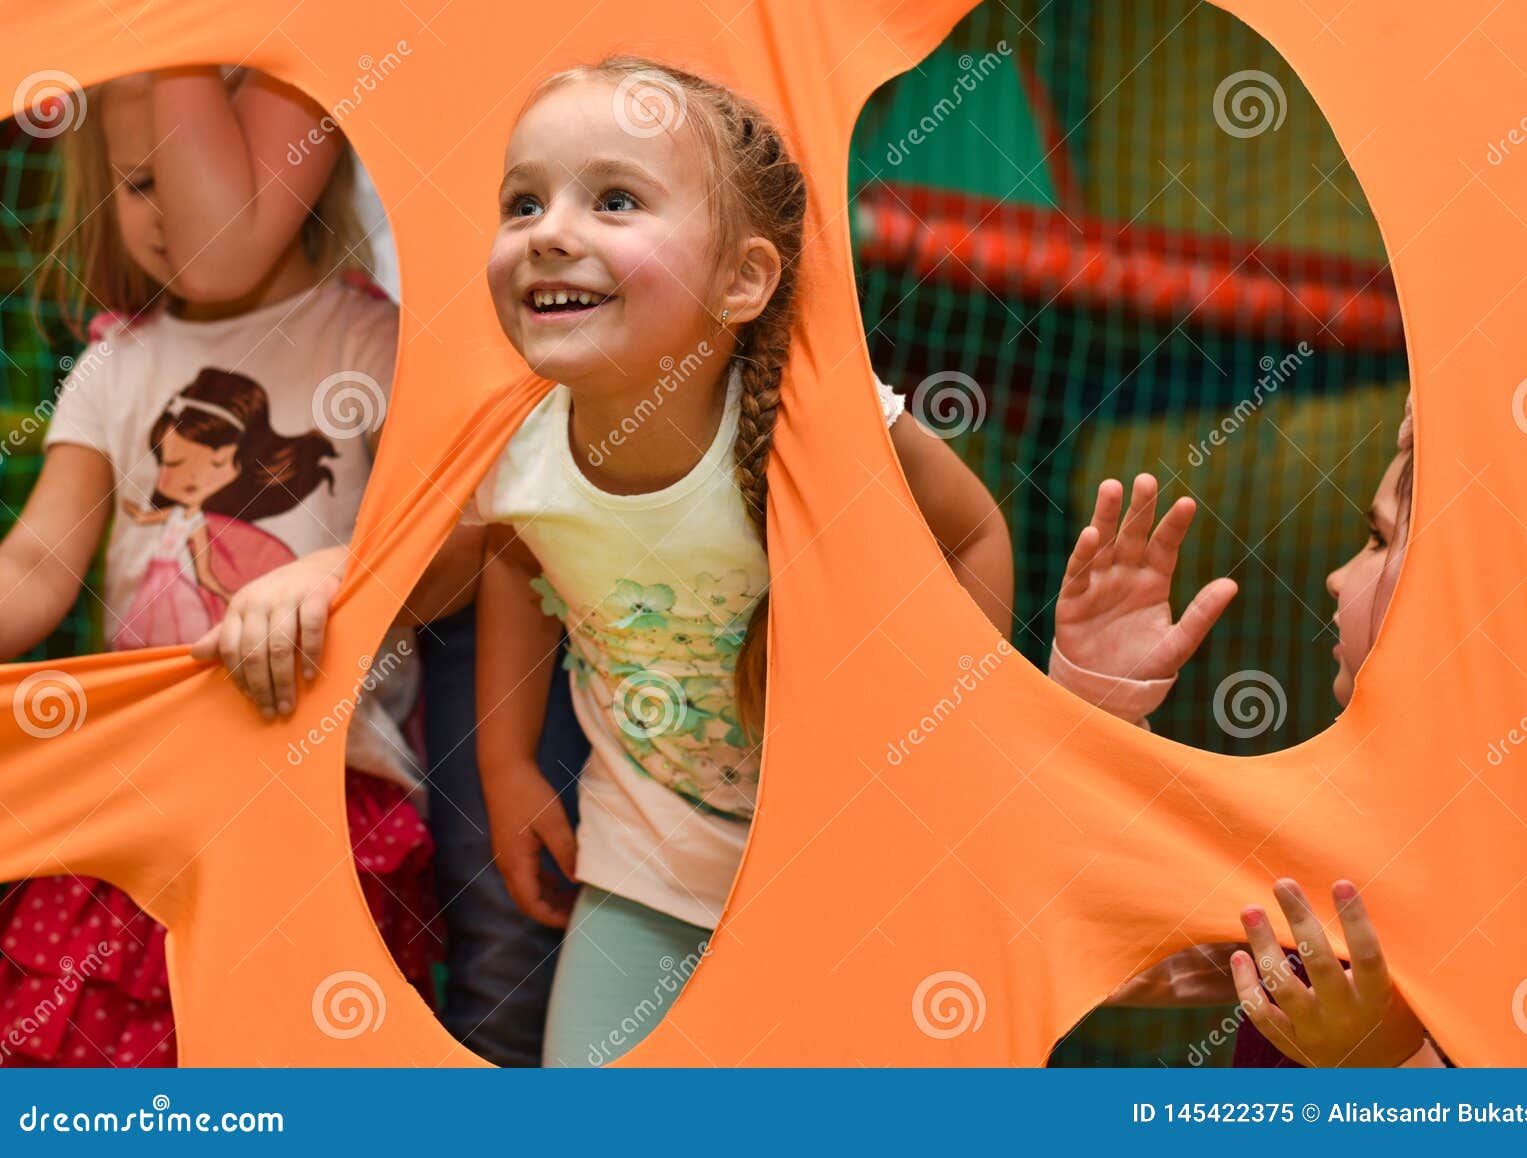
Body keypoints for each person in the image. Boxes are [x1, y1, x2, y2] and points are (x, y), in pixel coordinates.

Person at [469, 56, 1015, 1066]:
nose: (548, 232)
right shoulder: (514, 455)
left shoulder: (827, 430)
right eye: (523, 202)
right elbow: (516, 559)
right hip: (648, 866)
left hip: (848, 872)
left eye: (615, 200)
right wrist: (506, 765)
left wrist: (953, 744)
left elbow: (972, 531)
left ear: (743, 279)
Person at [0, 69, 435, 1066]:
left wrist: (334, 568)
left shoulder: (371, 340)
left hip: (314, 787)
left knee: (293, 1059)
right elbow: (36, 561)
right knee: (94, 1052)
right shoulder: (115, 362)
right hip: (136, 794)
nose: (169, 211)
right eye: (140, 183)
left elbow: (446, 541)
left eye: (194, 174)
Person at [1050, 402, 1443, 1066]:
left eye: (1377, 540)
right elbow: (1108, 941)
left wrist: (1383, 1067)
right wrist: (1096, 708)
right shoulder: (1326, 822)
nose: (1336, 575)